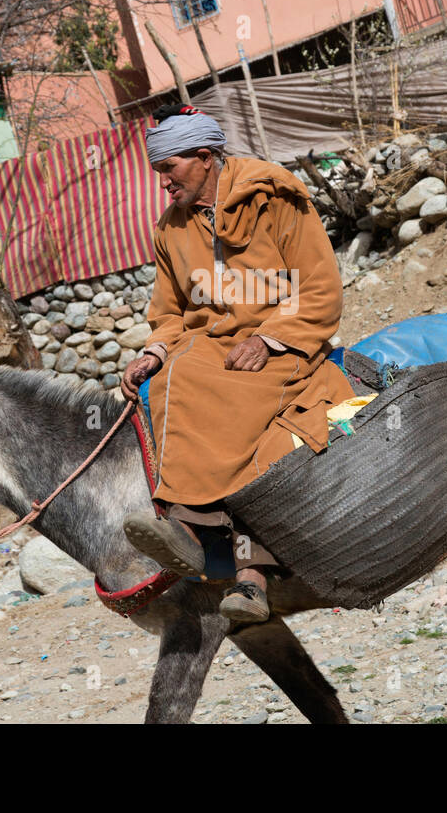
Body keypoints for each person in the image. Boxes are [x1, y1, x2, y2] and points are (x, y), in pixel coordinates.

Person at [120, 106, 354, 623]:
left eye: (170, 168)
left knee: (220, 390)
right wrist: (155, 349)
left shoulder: (276, 199)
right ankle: (202, 538)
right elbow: (170, 313)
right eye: (158, 170)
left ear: (205, 158)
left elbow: (319, 288)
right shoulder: (170, 227)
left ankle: (205, 538)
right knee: (166, 382)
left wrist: (272, 339)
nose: (163, 182)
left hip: (284, 338)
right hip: (210, 347)